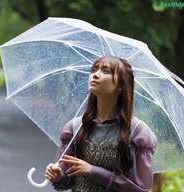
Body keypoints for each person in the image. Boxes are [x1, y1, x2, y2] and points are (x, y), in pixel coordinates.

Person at [45, 55, 158, 192]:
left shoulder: (137, 132)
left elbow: (139, 189)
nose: (95, 75)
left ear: (122, 85)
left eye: (106, 71)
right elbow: (67, 180)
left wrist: (93, 171)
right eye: (94, 70)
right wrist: (58, 177)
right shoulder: (75, 127)